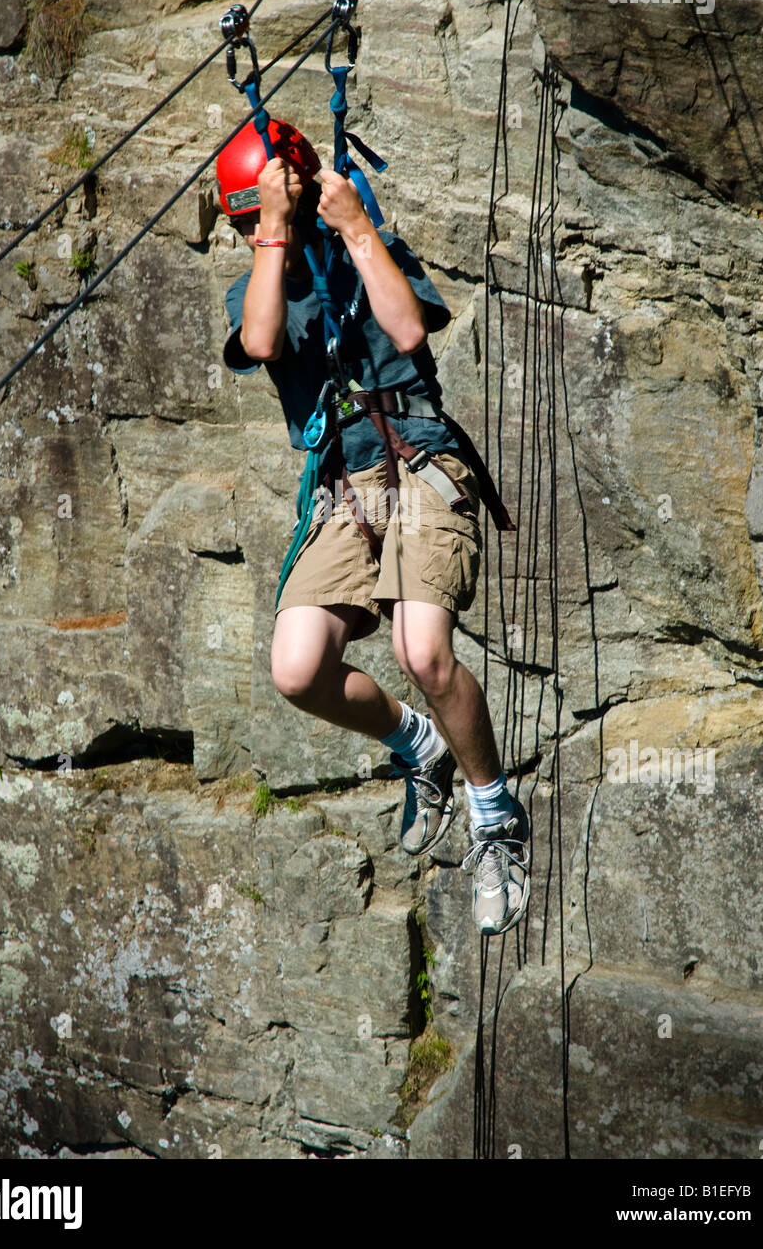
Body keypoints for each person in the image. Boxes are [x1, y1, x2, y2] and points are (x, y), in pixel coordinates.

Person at [218, 117, 530, 936]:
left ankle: (494, 813)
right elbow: (259, 341)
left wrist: (354, 226)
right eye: (245, 222)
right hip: (346, 484)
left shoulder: (368, 240)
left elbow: (408, 331)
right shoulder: (259, 281)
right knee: (296, 670)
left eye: (258, 215)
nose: (254, 229)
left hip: (421, 458)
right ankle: (419, 745)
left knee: (421, 650)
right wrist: (277, 237)